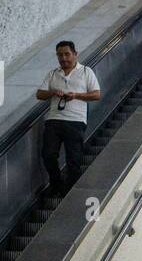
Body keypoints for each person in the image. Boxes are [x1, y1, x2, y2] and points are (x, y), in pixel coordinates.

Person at [35, 41, 100, 196]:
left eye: (67, 54)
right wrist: (53, 92)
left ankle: (71, 193)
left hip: (76, 121)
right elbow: (39, 94)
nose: (63, 58)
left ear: (75, 54)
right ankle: (57, 184)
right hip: (54, 120)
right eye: (60, 55)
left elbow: (97, 94)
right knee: (48, 154)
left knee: (74, 159)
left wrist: (76, 95)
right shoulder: (53, 73)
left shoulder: (86, 71)